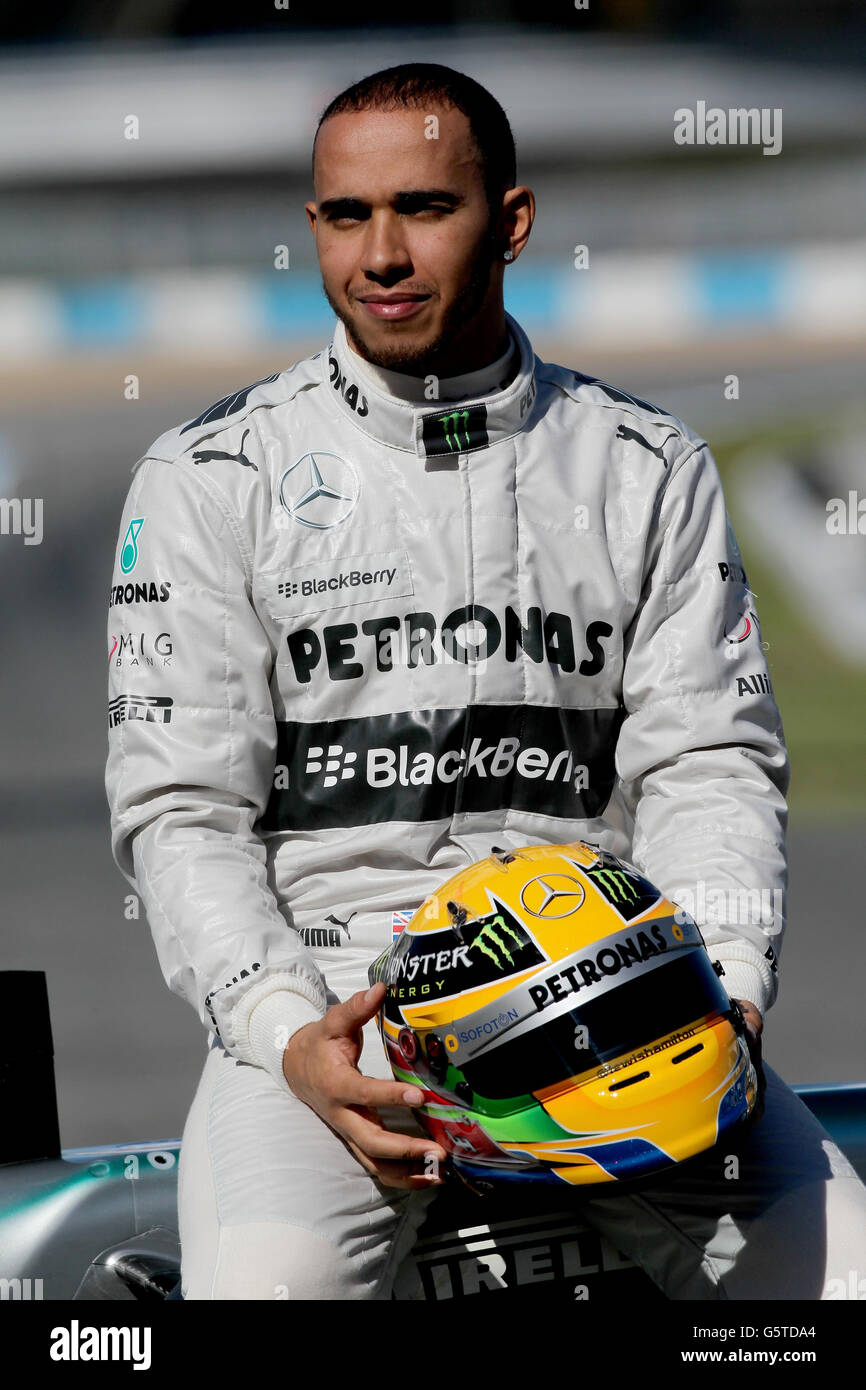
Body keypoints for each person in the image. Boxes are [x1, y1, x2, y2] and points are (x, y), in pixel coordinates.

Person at [105, 62, 866, 1300]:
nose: (383, 253)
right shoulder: (207, 478)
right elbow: (182, 813)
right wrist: (286, 1035)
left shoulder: (644, 465)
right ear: (312, 227)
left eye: (424, 208)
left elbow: (708, 759)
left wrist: (717, 983)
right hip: (340, 1012)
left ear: (510, 221)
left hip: (616, 1004)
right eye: (347, 217)